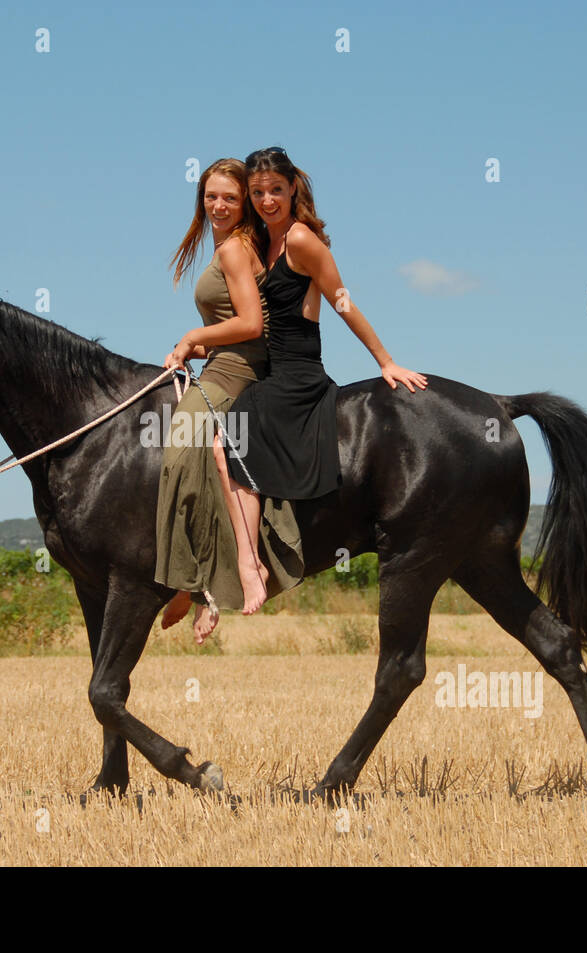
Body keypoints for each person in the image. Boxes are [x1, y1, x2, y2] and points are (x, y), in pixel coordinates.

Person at [223, 147, 429, 612]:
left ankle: (249, 565)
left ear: (293, 187)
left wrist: (386, 360)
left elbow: (342, 300)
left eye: (276, 189)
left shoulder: (299, 240)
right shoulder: (264, 240)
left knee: (226, 439)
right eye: (257, 192)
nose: (267, 200)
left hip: (298, 375)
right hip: (273, 370)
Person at [154, 158, 305, 642]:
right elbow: (238, 328)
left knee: (178, 452)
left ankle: (197, 583)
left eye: (230, 198)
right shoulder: (227, 246)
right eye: (210, 196)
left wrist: (193, 334)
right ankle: (193, 580)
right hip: (223, 362)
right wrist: (191, 349)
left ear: (244, 205)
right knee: (184, 455)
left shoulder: (237, 249)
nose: (218, 205)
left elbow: (252, 327)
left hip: (236, 373)